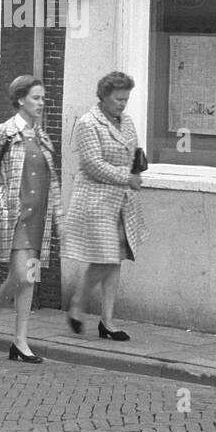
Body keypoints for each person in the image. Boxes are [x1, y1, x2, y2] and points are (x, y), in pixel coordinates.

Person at [0, 75, 62, 363]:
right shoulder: (4, 132)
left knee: (29, 279)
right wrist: (0, 199)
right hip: (15, 216)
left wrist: (58, 215)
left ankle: (20, 341)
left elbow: (52, 180)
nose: (41, 103)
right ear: (21, 99)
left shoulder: (43, 136)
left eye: (43, 98)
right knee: (22, 275)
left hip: (39, 219)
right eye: (36, 98)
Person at [63, 71, 148, 341]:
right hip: (95, 201)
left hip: (122, 202)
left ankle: (107, 321)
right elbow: (92, 164)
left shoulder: (128, 122)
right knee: (105, 257)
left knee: (114, 261)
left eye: (126, 99)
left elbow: (134, 151)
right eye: (118, 99)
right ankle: (78, 302)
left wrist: (137, 168)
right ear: (104, 96)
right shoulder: (89, 123)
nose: (122, 104)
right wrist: (127, 177)